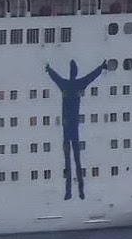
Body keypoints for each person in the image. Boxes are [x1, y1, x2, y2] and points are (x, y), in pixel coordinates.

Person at [45, 58, 106, 200]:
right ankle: (80, 192)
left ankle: (70, 192)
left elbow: (55, 78)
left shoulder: (65, 84)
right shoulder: (79, 83)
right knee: (76, 159)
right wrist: (100, 67)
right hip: (73, 126)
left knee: (69, 160)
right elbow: (91, 77)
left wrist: (49, 69)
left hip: (67, 126)